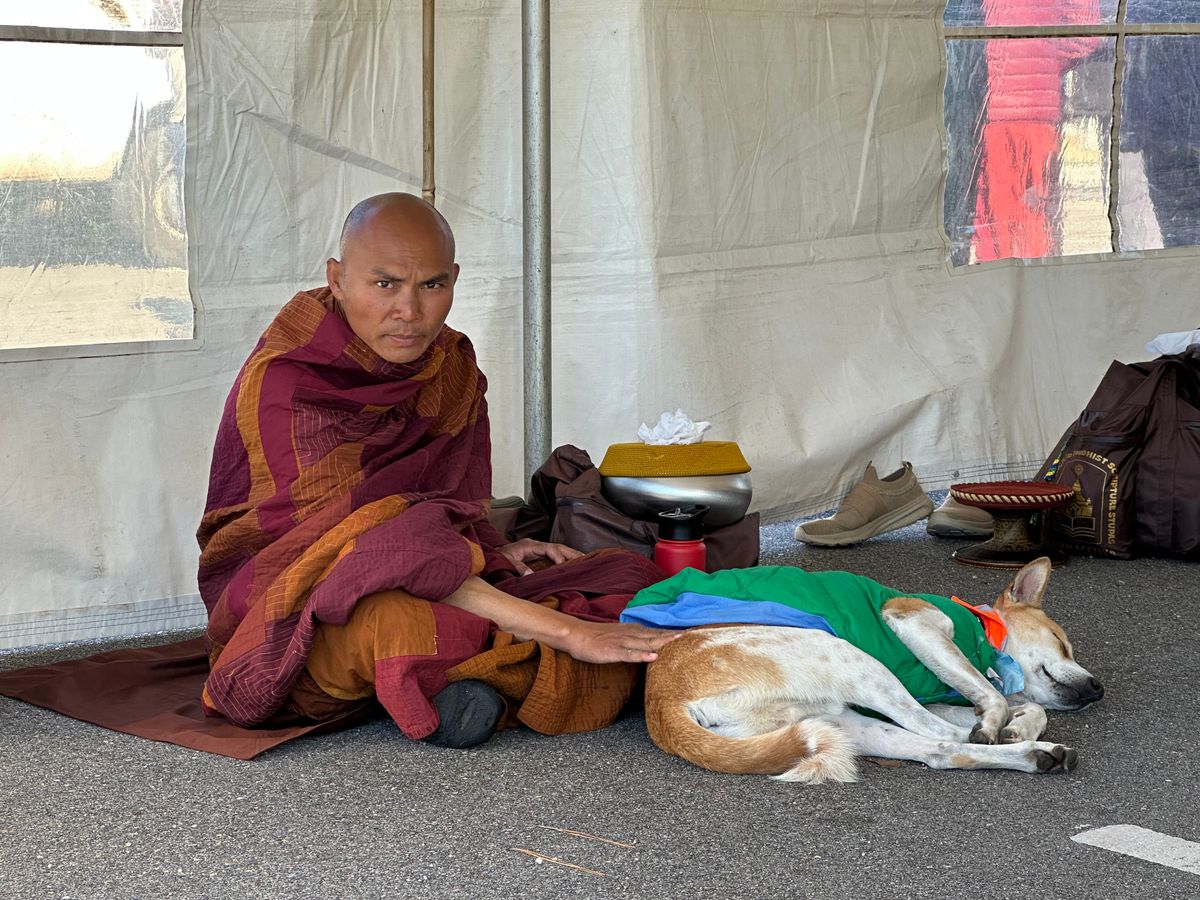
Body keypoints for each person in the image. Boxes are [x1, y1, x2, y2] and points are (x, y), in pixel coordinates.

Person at [197, 192, 678, 748]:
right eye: (384, 285)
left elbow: (442, 507)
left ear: (453, 279)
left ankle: (470, 681)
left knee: (623, 577)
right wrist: (568, 632)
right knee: (399, 625)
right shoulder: (288, 381)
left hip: (422, 564)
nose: (409, 311)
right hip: (295, 596)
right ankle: (513, 667)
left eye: (431, 285)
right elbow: (347, 546)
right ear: (336, 279)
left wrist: (486, 549)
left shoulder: (451, 363)